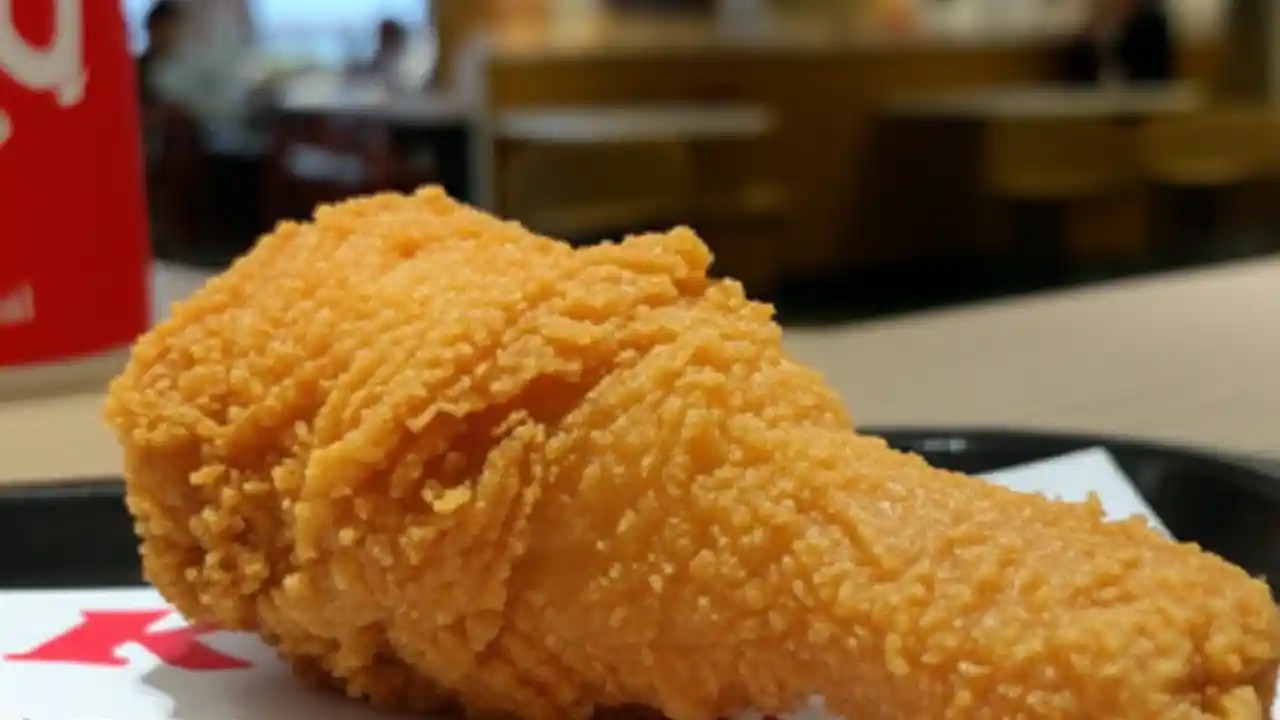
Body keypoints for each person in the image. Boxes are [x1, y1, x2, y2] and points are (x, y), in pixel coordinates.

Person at [1061, 0, 1175, 84]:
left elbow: (1153, 73)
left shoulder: (1150, 24)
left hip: (1141, 98)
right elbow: (1076, 77)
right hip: (1094, 101)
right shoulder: (1087, 30)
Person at [136, 0, 186, 110]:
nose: (165, 36)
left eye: (170, 29)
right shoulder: (137, 69)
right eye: (160, 29)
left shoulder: (189, 70)